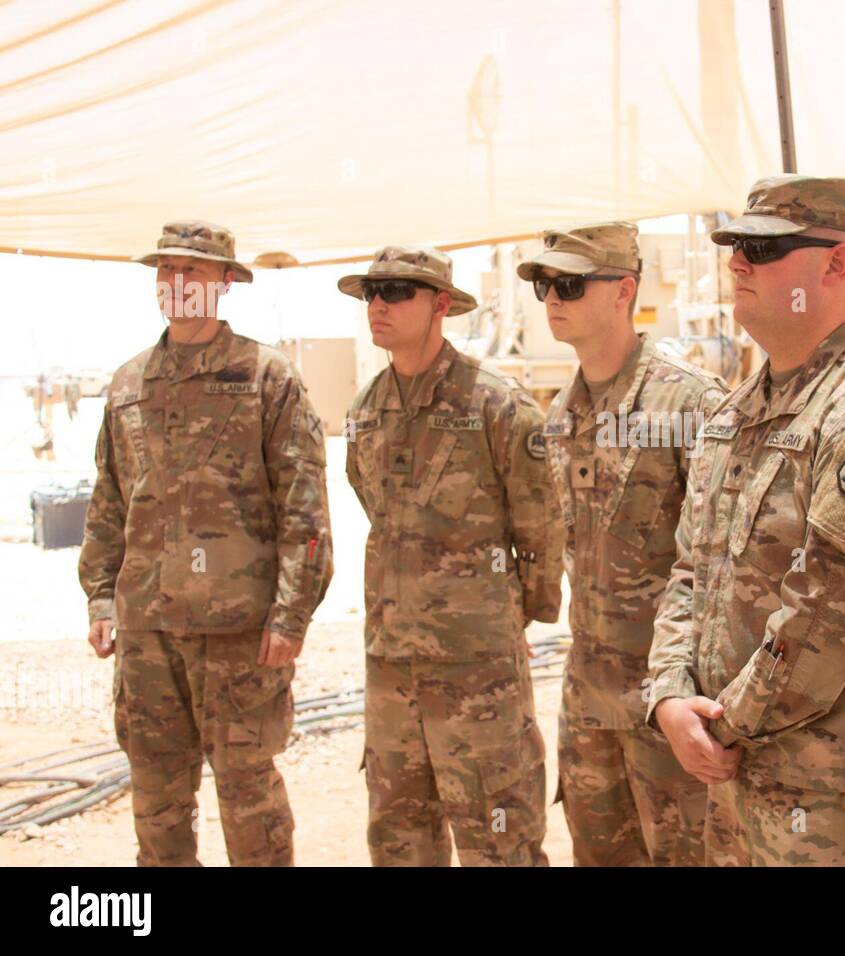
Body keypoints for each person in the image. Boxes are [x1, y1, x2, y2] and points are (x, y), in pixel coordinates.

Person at [647, 176, 845, 866]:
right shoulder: (733, 414)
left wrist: (726, 723)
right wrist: (669, 693)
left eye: (763, 247)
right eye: (734, 246)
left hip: (839, 803)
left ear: (838, 263)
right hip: (736, 783)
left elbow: (829, 622)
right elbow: (690, 571)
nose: (737, 263)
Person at [80, 220, 333, 866]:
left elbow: (304, 510)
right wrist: (102, 600)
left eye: (192, 271)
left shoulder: (266, 378)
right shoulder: (128, 384)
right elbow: (110, 501)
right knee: (157, 804)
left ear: (224, 284)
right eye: (167, 270)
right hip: (148, 633)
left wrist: (291, 611)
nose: (177, 282)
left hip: (239, 634)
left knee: (250, 802)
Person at [342, 245, 563, 866]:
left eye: (396, 293)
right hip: (392, 668)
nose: (378, 306)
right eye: (371, 294)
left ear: (440, 304)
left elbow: (542, 527)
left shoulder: (496, 405)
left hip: (478, 669)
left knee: (499, 836)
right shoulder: (364, 412)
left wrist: (505, 619)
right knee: (398, 834)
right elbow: (376, 513)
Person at [518, 221, 724, 865]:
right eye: (545, 285)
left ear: (622, 290)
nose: (553, 298)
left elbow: (722, 562)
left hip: (670, 691)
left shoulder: (691, 403)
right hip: (589, 690)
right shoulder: (563, 415)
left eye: (571, 284)